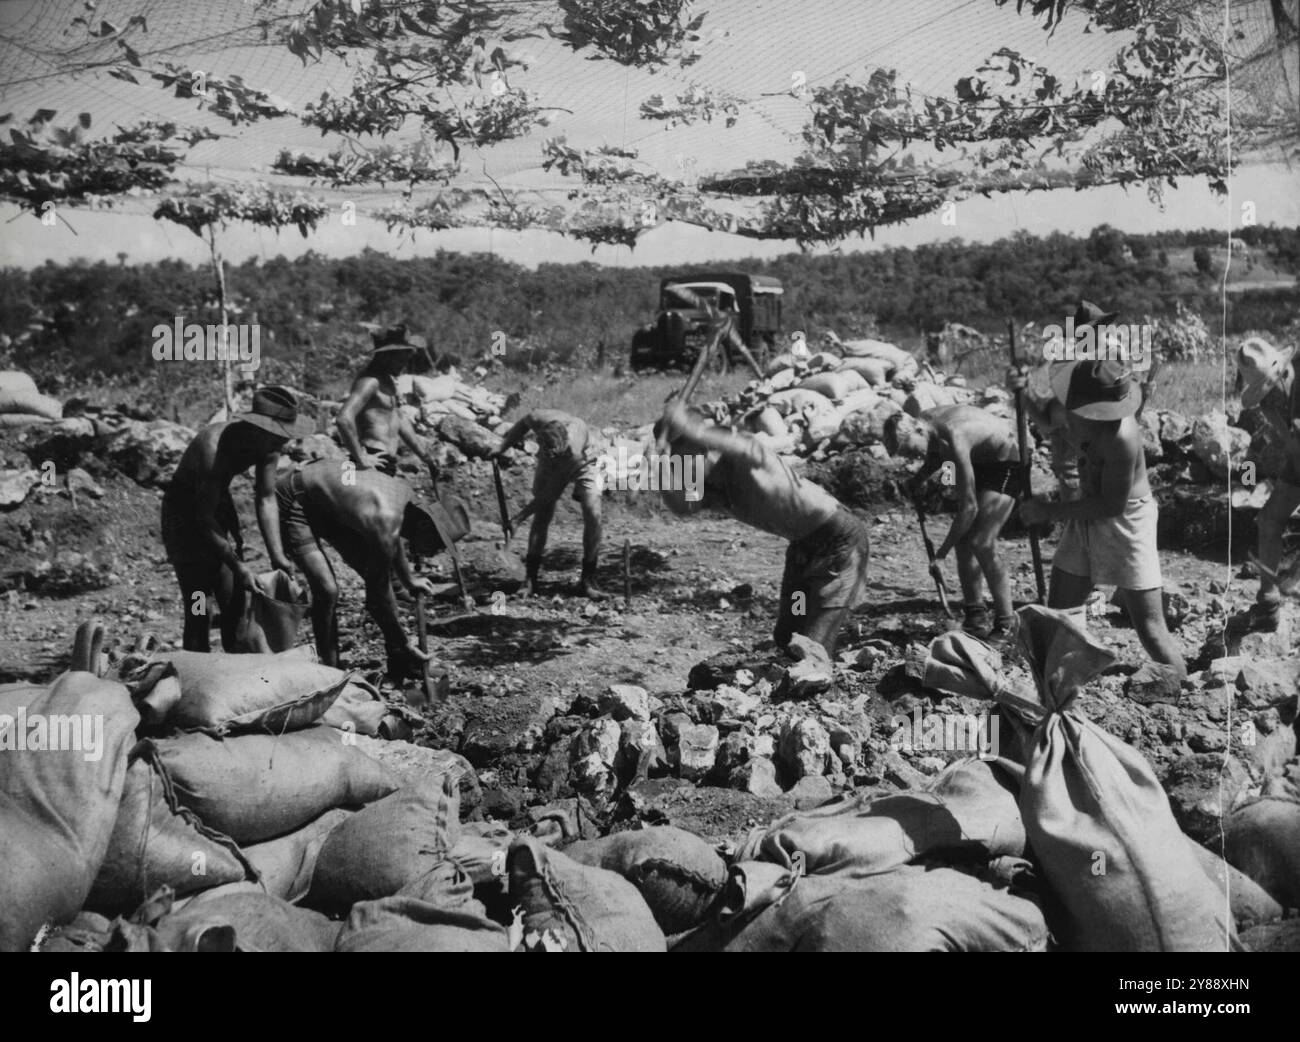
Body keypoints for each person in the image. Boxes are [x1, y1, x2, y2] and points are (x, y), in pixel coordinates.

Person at [656, 400, 870, 654]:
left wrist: (690, 428)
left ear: (701, 445)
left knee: (813, 646)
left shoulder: (742, 456)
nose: (681, 467)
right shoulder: (708, 484)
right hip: (803, 552)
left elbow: (743, 446)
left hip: (839, 546)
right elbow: (683, 507)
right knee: (791, 632)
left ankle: (829, 667)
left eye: (682, 454)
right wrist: (657, 465)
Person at [1018, 359, 1186, 678]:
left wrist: (1049, 511)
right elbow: (1042, 419)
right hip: (1086, 514)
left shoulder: (1122, 438)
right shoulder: (1071, 411)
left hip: (1128, 522)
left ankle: (1182, 683)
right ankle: (1058, 683)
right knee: (1059, 615)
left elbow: (1111, 506)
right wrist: (1021, 390)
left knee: (1149, 627)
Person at [276, 458, 462, 682]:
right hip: (294, 498)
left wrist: (408, 579)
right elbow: (375, 598)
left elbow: (393, 539)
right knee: (327, 590)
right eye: (437, 544)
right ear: (424, 526)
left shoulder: (405, 504)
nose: (434, 553)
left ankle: (400, 663)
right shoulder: (386, 518)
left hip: (330, 504)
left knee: (388, 584)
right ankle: (330, 672)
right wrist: (403, 640)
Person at [162, 386, 312, 652]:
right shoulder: (212, 449)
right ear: (258, 430)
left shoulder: (269, 444)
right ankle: (196, 673)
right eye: (278, 436)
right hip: (183, 518)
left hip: (217, 506)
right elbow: (203, 520)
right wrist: (238, 564)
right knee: (199, 605)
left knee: (235, 603)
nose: (283, 443)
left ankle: (235, 670)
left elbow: (266, 498)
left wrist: (277, 555)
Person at [890, 405, 1025, 639]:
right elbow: (935, 455)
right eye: (908, 456)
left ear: (919, 432)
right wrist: (919, 478)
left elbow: (969, 508)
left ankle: (1006, 623)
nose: (915, 458)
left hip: (1007, 460)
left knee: (982, 542)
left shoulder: (955, 437)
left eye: (912, 451)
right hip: (979, 459)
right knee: (963, 543)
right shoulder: (925, 424)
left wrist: (940, 556)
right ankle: (975, 616)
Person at [493, 408, 605, 598]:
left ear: (561, 444)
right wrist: (502, 447)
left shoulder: (573, 450)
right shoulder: (538, 420)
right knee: (543, 514)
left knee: (592, 512)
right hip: (554, 455)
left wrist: (518, 519)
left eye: (552, 451)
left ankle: (588, 580)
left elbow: (549, 494)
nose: (549, 455)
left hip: (587, 459)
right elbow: (523, 423)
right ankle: (530, 580)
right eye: (544, 448)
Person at [1236, 337, 1300, 631]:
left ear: (1283, 374)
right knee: (1268, 521)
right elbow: (1249, 447)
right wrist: (1247, 483)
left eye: (1269, 392)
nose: (1267, 402)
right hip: (1296, 462)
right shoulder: (1267, 407)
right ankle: (1269, 602)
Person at [336, 324, 441, 480]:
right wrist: (361, 458)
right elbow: (343, 419)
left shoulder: (388, 382)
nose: (404, 365)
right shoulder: (370, 382)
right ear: (386, 356)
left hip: (384, 460)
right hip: (371, 457)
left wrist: (425, 457)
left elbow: (400, 420)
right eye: (400, 361)